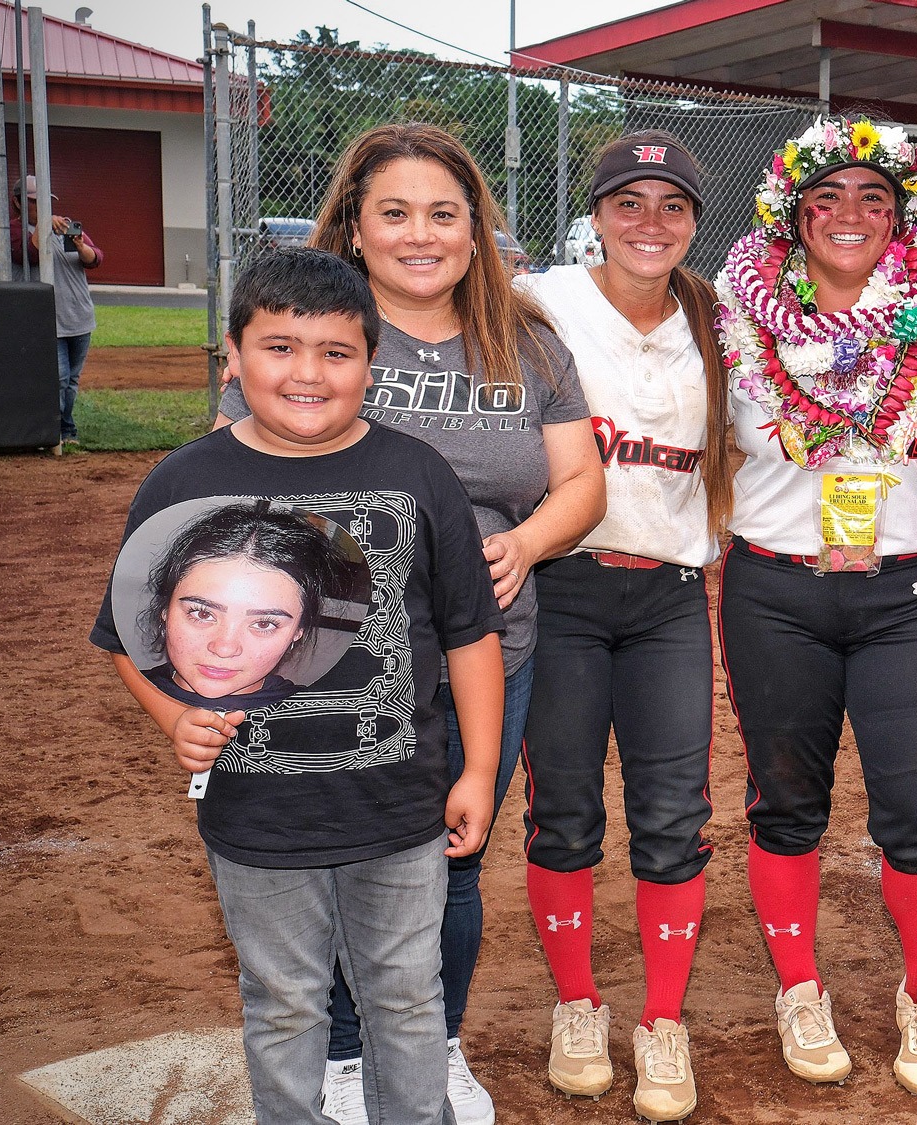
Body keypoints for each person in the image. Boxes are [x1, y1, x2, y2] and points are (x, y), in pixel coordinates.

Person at [217, 122, 605, 1125]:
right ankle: (346, 1057)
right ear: (353, 224)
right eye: (394, 213)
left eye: (444, 214)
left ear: (475, 231)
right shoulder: (309, 334)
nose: (419, 234)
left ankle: (427, 1046)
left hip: (483, 650)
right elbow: (233, 486)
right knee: (324, 851)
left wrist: (528, 545)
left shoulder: (525, 342)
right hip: (325, 665)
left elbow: (580, 482)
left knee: (448, 852)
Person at [93, 248, 507, 1125]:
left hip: (399, 805)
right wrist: (176, 717)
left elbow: (471, 633)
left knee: (404, 998)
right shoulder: (184, 482)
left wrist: (475, 771)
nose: (307, 373)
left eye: (336, 351)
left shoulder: (419, 471)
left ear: (371, 361)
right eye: (279, 347)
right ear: (233, 357)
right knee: (283, 1003)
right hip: (256, 814)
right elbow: (127, 637)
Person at [714, 115, 917, 1097]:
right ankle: (799, 987)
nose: (848, 215)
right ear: (790, 214)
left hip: (901, 592)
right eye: (824, 197)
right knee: (786, 805)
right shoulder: (730, 310)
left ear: (899, 214)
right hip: (775, 589)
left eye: (873, 198)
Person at [510, 132, 733, 1122]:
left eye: (671, 206)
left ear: (693, 222)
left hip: (670, 600)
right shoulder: (543, 301)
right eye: (628, 203)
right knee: (562, 805)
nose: (650, 223)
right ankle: (575, 1005)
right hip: (560, 590)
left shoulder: (714, 317)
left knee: (671, 814)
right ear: (595, 215)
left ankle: (664, 1021)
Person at [141, 503, 367, 709]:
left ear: (298, 631)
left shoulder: (319, 718)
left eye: (263, 623)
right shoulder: (133, 690)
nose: (224, 648)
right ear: (165, 610)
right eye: (203, 613)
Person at [14, 175, 103, 453]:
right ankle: (52, 430)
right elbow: (29, 253)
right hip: (47, 321)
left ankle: (65, 427)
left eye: (44, 201)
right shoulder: (15, 230)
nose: (41, 206)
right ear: (18, 203)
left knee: (71, 380)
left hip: (78, 317)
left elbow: (96, 258)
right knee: (59, 379)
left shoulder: (64, 226)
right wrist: (43, 225)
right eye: (33, 201)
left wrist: (79, 244)